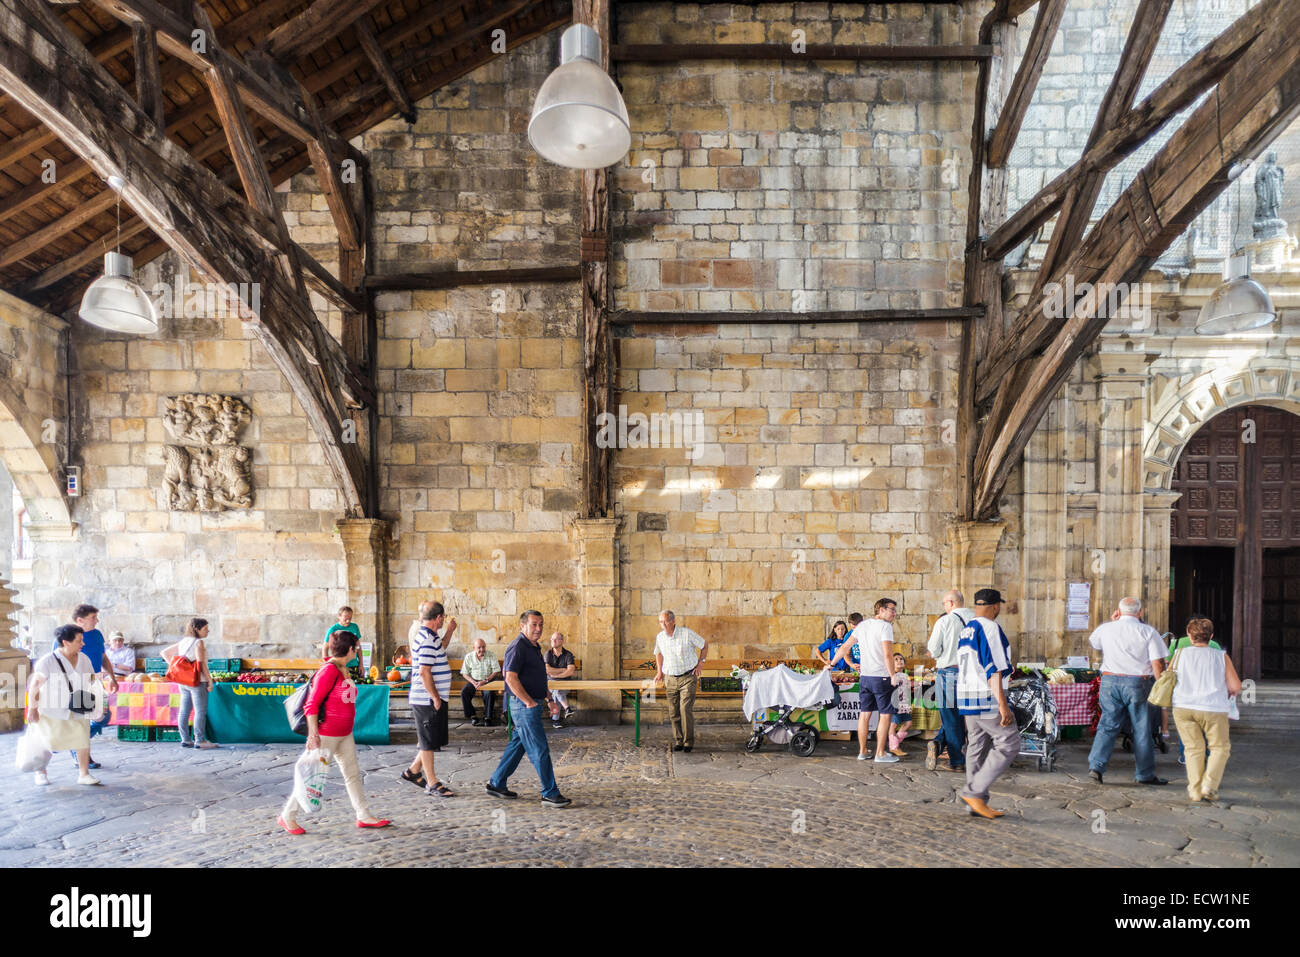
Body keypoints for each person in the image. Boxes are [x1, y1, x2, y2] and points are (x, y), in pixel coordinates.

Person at [278, 630, 391, 834]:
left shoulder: (343, 669)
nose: (356, 652)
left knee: (352, 774)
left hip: (344, 733)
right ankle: (288, 815)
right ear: (350, 649)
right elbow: (311, 705)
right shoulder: (329, 671)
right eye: (355, 648)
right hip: (327, 735)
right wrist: (313, 734)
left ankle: (363, 815)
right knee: (311, 776)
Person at [485, 610, 572, 807]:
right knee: (539, 748)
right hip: (523, 706)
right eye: (534, 624)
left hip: (532, 702)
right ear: (522, 626)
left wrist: (549, 699)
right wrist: (528, 702)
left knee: (518, 744)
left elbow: (539, 677)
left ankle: (496, 783)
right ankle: (550, 793)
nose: (538, 628)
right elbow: (510, 677)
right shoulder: (517, 647)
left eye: (540, 624)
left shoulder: (534, 647)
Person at [1087, 597, 1169, 786]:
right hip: (1137, 683)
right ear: (1140, 612)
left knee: (1107, 725)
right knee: (1141, 729)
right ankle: (1144, 774)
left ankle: (1096, 768)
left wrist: (1112, 621)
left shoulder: (1106, 628)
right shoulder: (1148, 631)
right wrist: (1161, 685)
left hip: (1109, 681)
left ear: (1119, 611)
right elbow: (1157, 662)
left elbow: (1095, 643)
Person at [956, 589, 1018, 819]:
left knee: (977, 747)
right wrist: (1003, 705)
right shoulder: (989, 627)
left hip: (966, 694)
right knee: (1009, 742)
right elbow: (993, 669)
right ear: (995, 606)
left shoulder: (967, 629)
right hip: (985, 695)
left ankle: (975, 802)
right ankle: (973, 792)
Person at [1170, 617, 1242, 804]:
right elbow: (1235, 685)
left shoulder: (1179, 654)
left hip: (1183, 706)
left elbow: (1168, 677)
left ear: (1189, 635)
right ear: (1211, 636)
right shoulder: (1221, 656)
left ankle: (1195, 791)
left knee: (1193, 749)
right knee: (1220, 748)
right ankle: (1209, 786)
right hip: (1213, 707)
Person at [26, 624, 103, 786]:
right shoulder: (47, 661)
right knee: (47, 741)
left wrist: (97, 703)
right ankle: (40, 771)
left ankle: (84, 774)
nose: (83, 644)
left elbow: (91, 681)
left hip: (78, 706)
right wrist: (32, 709)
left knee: (82, 739)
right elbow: (34, 686)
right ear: (66, 642)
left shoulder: (84, 659)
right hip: (51, 708)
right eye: (79, 641)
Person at [833, 598, 901, 763]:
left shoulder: (862, 626)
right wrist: (893, 675)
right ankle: (880, 753)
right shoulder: (885, 627)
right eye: (892, 609)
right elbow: (887, 654)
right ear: (881, 610)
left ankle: (863, 751)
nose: (894, 613)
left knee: (864, 715)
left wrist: (832, 663)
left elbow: (844, 647)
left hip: (865, 677)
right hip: (881, 677)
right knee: (885, 715)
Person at [403, 602, 456, 796]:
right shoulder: (426, 638)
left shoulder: (431, 636)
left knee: (431, 739)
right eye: (443, 618)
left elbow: (441, 646)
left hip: (430, 698)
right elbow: (424, 671)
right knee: (427, 742)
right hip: (426, 699)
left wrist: (449, 631)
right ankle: (432, 783)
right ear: (439, 617)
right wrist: (435, 696)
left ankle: (413, 771)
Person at [926, 589, 972, 772]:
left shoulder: (945, 621)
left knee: (950, 717)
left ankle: (957, 761)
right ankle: (938, 744)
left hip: (949, 673)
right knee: (965, 716)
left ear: (951, 603)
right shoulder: (978, 620)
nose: (944, 607)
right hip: (973, 675)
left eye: (944, 603)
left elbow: (934, 650)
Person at [1166, 617, 1222, 764]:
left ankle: (1187, 757)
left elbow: (1169, 668)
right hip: (1209, 698)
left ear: (1189, 634)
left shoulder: (1179, 648)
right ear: (1211, 635)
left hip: (1184, 697)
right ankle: (1209, 757)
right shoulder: (1216, 649)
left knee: (1186, 730)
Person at [652, 610, 708, 753]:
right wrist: (659, 672)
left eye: (665, 621)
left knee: (685, 709)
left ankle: (688, 741)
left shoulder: (686, 633)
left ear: (673, 621)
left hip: (688, 677)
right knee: (673, 711)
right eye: (660, 622)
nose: (662, 624)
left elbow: (704, 644)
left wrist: (701, 663)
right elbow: (658, 653)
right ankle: (678, 740)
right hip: (670, 678)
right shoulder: (660, 637)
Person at [72, 604, 116, 769]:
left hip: (96, 684)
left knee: (104, 717)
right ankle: (80, 752)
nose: (97, 620)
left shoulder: (97, 635)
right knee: (82, 720)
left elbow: (103, 657)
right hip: (78, 686)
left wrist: (112, 676)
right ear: (80, 620)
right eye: (93, 618)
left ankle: (76, 744)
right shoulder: (67, 636)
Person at [162, 618, 218, 749]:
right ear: (197, 629)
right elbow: (201, 664)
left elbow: (164, 653)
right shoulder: (199, 643)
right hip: (198, 681)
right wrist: (209, 680)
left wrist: (177, 667)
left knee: (184, 710)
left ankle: (185, 739)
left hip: (184, 681)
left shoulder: (184, 642)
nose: (208, 631)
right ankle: (200, 740)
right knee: (200, 711)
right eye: (205, 629)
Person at [460, 637, 501, 726]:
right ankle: (473, 716)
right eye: (479, 647)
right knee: (464, 693)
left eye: (483, 647)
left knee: (489, 693)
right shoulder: (469, 657)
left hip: (487, 681)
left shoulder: (491, 655)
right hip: (473, 680)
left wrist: (485, 680)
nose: (482, 649)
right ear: (474, 648)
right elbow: (464, 673)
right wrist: (473, 682)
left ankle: (488, 717)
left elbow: (496, 670)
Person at [545, 632, 576, 728]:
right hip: (550, 685)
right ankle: (567, 709)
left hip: (565, 684)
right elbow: (547, 670)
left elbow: (570, 671)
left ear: (562, 641)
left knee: (557, 690)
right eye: (552, 639)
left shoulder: (568, 654)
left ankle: (556, 720)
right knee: (556, 690)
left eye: (556, 639)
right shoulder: (548, 654)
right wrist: (563, 670)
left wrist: (555, 675)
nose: (553, 641)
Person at [324, 605, 363, 679]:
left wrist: (361, 664)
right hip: (339, 666)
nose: (348, 621)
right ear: (339, 616)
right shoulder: (333, 629)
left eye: (350, 618)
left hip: (354, 665)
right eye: (345, 619)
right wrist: (327, 664)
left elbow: (358, 647)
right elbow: (325, 648)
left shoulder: (354, 627)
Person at [888, 652, 914, 753]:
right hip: (896, 704)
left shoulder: (905, 675)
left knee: (908, 723)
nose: (899, 661)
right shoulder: (892, 675)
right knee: (893, 725)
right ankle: (894, 747)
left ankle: (895, 742)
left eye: (901, 659)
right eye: (896, 659)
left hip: (905, 704)